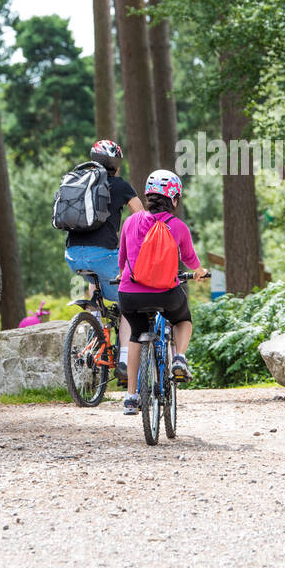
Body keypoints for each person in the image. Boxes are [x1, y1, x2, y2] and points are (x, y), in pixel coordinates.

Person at [116, 170, 210, 415]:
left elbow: (123, 259)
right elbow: (190, 259)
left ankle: (131, 397)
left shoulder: (130, 222)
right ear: (174, 199)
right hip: (165, 294)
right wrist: (199, 271)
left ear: (148, 196)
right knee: (183, 319)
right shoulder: (178, 226)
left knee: (136, 335)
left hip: (130, 294)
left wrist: (121, 275)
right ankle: (178, 357)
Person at [63, 139, 145, 373]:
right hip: (103, 255)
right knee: (127, 300)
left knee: (94, 285)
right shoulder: (120, 185)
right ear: (116, 165)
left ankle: (95, 330)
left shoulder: (78, 181)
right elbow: (143, 218)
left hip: (72, 255)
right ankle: (123, 359)